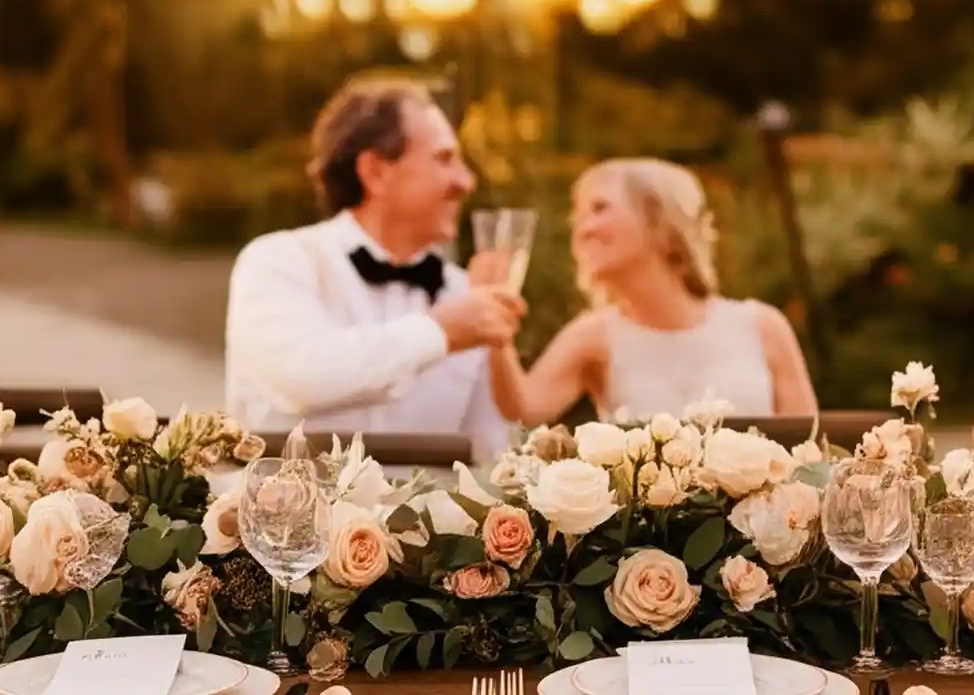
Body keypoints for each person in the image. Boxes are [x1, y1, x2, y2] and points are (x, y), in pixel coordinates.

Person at [225, 77, 523, 464]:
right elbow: (301, 377)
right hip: (289, 521)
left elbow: (492, 451)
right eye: (444, 158)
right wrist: (440, 331)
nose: (466, 182)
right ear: (376, 172)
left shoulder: (465, 293)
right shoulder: (277, 261)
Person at [484, 158, 817, 425]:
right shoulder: (593, 335)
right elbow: (523, 410)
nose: (583, 229)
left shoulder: (762, 327)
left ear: (661, 221)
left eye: (599, 208)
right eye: (579, 216)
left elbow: (811, 456)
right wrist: (495, 332)